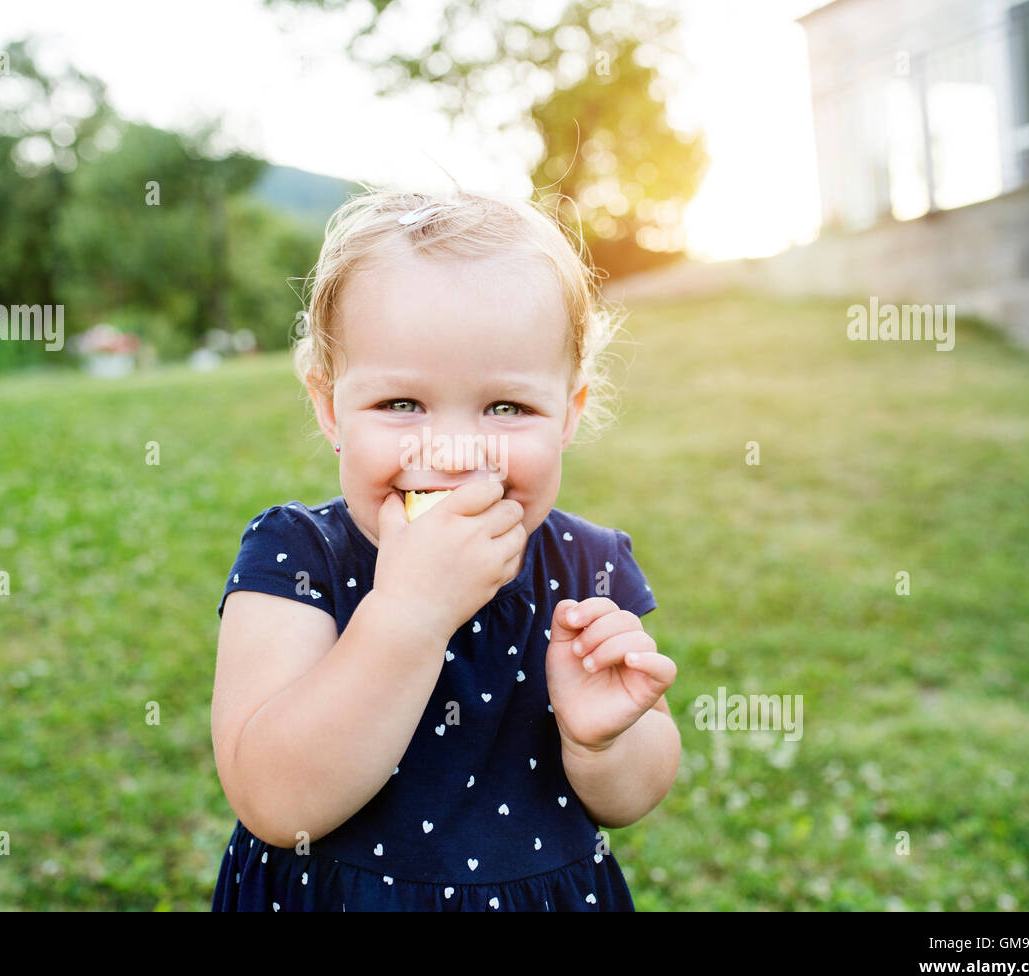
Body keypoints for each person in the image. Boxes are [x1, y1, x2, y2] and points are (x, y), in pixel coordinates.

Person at [209, 186, 681, 911]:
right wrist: (407, 617)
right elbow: (274, 799)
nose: (455, 452)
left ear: (568, 414)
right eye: (403, 404)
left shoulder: (590, 566)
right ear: (331, 408)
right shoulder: (298, 557)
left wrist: (601, 744)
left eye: (507, 407)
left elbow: (634, 796)